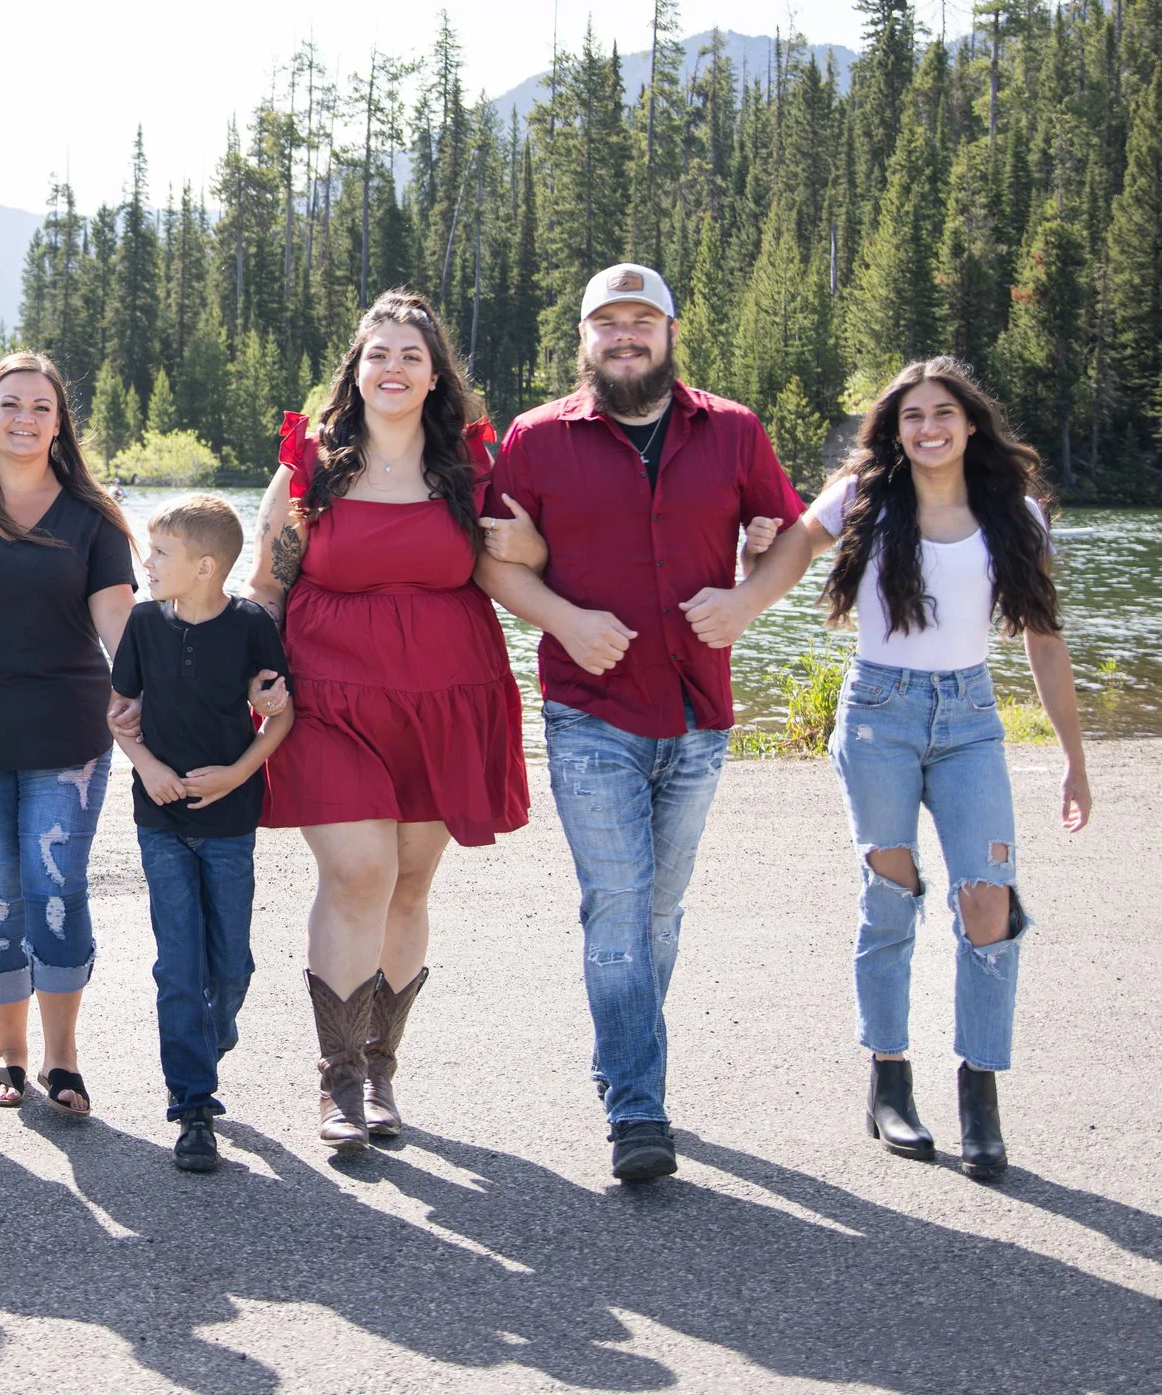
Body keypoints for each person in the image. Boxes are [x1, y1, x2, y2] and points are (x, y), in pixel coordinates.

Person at [478, 262, 812, 1183]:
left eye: (642, 322)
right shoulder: (537, 438)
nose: (625, 337)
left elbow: (790, 532)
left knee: (661, 909)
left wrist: (747, 601)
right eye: (608, 323)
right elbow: (493, 559)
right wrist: (565, 621)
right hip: (591, 711)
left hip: (700, 712)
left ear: (669, 333)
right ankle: (637, 1106)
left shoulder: (733, 429)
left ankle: (623, 1056)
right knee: (619, 901)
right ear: (584, 338)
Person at [787, 358, 1089, 1180]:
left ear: (970, 423)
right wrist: (745, 567)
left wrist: (1074, 757)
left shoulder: (1016, 514)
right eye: (912, 416)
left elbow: (1044, 639)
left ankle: (979, 1096)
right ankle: (889, 1080)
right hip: (877, 717)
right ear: (895, 430)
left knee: (988, 900)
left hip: (970, 721)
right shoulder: (861, 498)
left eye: (943, 413)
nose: (928, 428)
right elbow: (790, 546)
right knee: (890, 899)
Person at [244, 291, 530, 1153]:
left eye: (411, 355)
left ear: (435, 374)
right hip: (330, 700)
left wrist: (541, 558)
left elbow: (518, 558)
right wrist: (255, 671)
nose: (394, 368)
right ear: (356, 370)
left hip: (445, 699)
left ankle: (378, 1069)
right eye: (379, 354)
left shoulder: (469, 470)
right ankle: (336, 1081)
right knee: (359, 872)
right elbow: (267, 583)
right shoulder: (311, 467)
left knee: (407, 884)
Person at [0, 352, 137, 1118]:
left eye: (42, 407)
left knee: (56, 891)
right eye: (10, 404)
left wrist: (164, 693)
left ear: (59, 424)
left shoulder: (92, 515)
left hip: (67, 738)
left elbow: (119, 623)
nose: (25, 418)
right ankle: (8, 1053)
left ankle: (61, 1057)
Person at [109, 495, 289, 1171]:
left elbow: (280, 714)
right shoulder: (143, 623)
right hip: (160, 820)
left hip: (230, 823)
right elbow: (120, 714)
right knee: (177, 965)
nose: (148, 564)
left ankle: (208, 1037)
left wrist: (237, 775)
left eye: (161, 554)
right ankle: (191, 1106)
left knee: (231, 965)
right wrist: (147, 766)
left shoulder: (250, 625)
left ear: (206, 567)